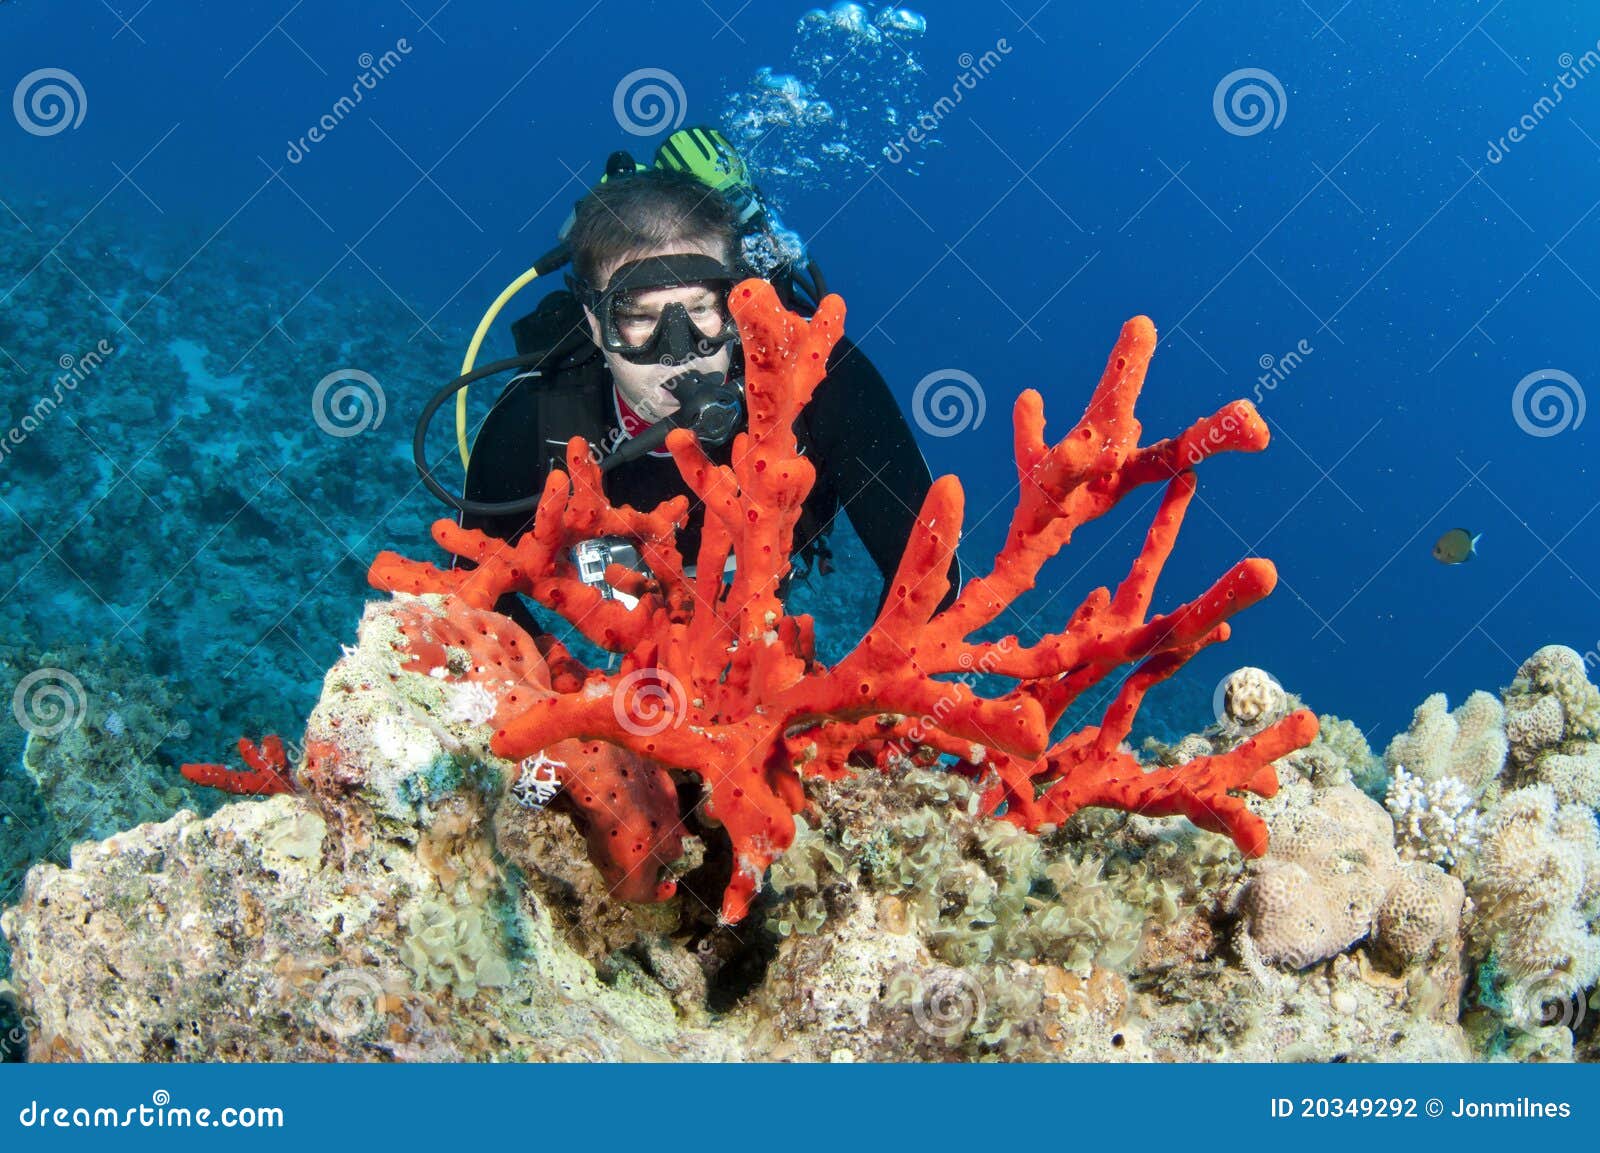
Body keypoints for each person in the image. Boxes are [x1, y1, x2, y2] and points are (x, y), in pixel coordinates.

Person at [444, 131, 961, 631]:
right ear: (596, 325)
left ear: (736, 302)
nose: (679, 352)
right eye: (639, 317)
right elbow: (471, 597)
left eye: (700, 309)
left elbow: (927, 573)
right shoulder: (537, 419)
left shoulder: (817, 380)